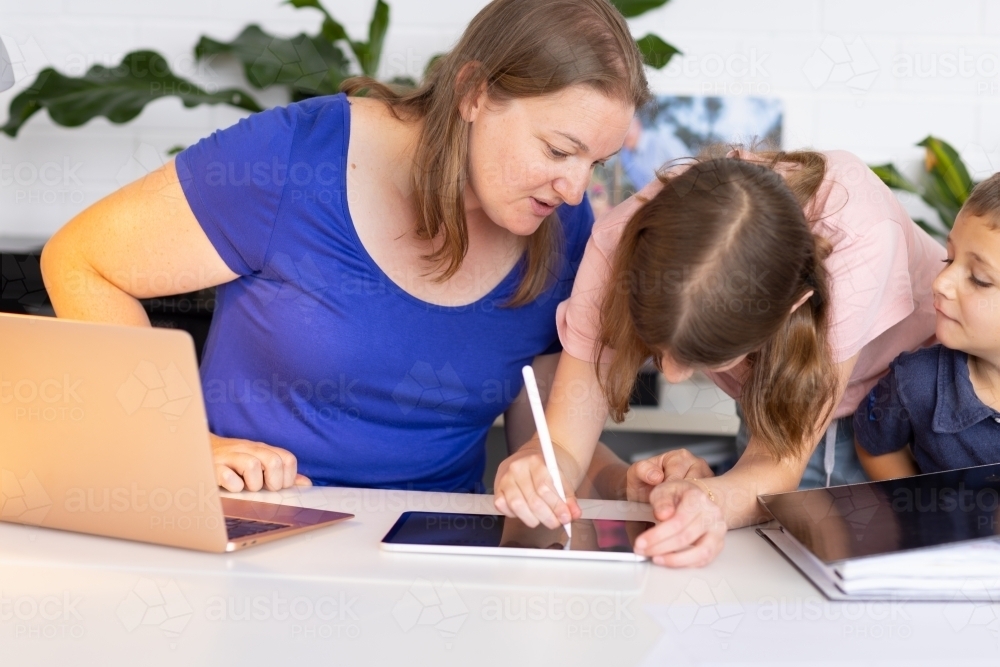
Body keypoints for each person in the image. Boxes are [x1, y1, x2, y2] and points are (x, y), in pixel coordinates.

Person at [39, 0, 647, 494]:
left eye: (596, 161)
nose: (574, 191)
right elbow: (81, 261)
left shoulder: (561, 230)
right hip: (255, 528)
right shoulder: (292, 160)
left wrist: (626, 484)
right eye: (559, 150)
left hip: (427, 562)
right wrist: (177, 443)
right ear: (474, 93)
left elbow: (541, 428)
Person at [493, 148, 947, 566]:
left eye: (705, 358)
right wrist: (538, 461)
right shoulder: (624, 241)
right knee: (763, 566)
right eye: (658, 348)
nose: (670, 376)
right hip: (780, 389)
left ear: (792, 307)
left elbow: (775, 468)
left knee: (853, 581)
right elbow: (566, 443)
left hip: (900, 409)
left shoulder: (856, 245)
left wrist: (712, 500)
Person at [855, 173, 1000, 478]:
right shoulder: (914, 382)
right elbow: (875, 445)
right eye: (948, 259)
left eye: (978, 278)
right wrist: (915, 513)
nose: (940, 283)